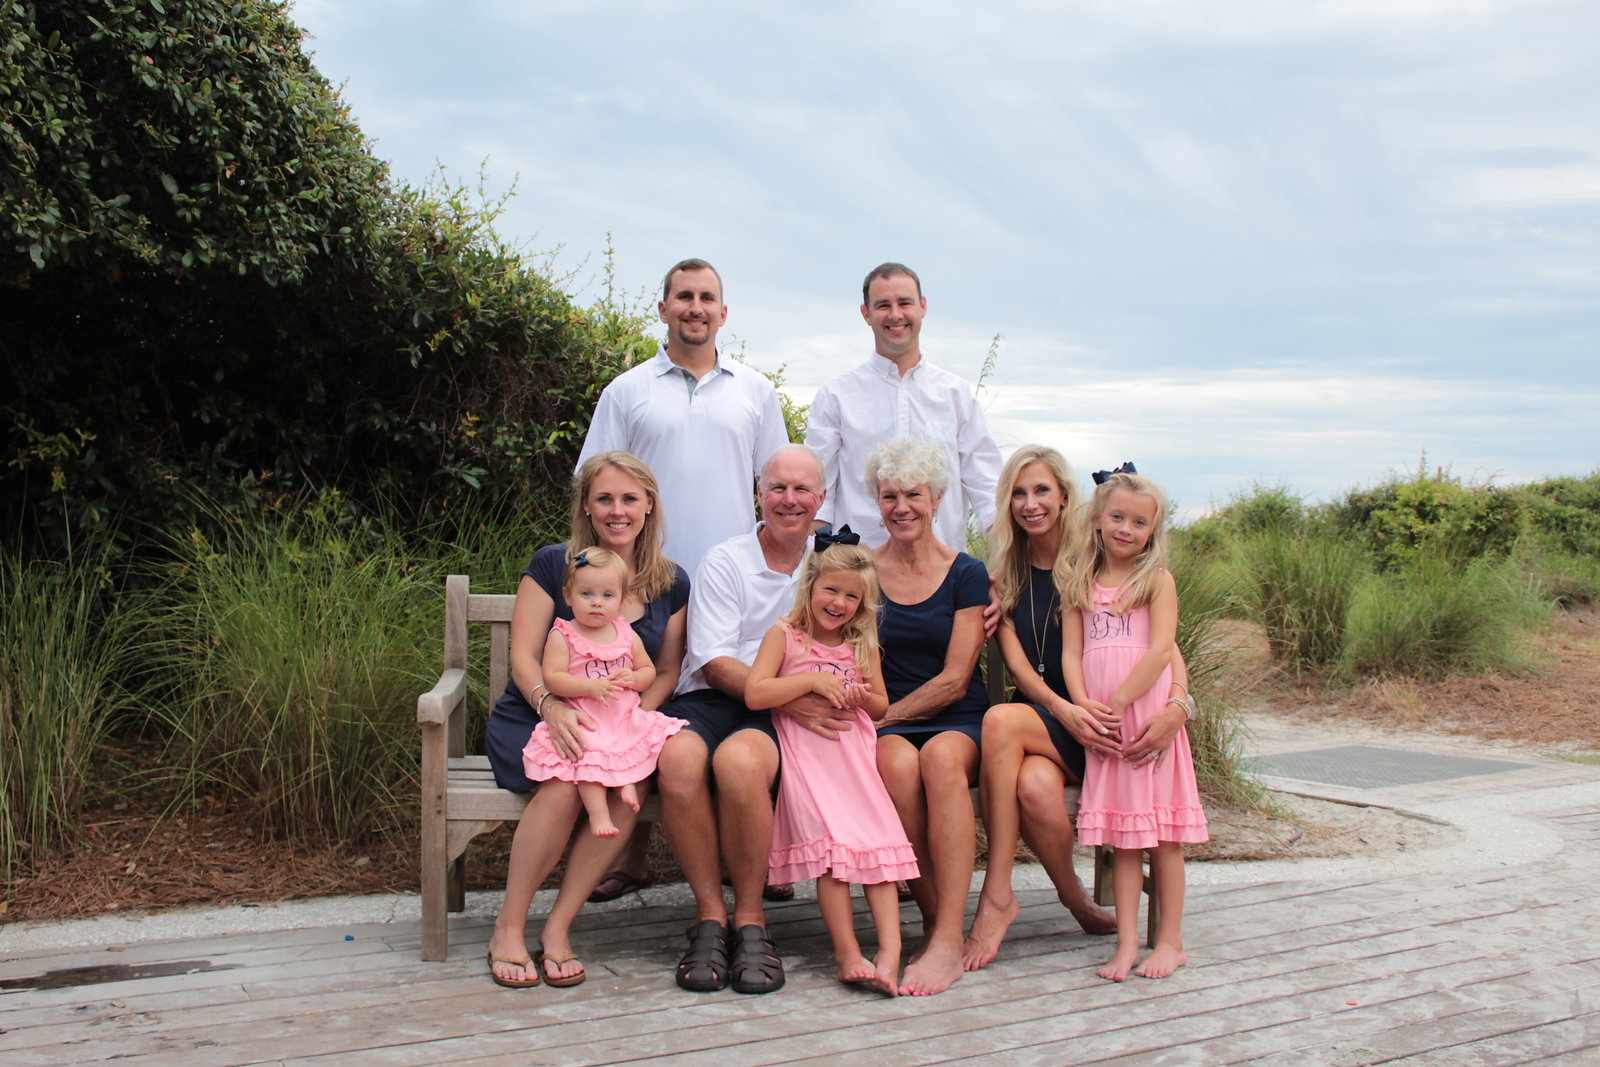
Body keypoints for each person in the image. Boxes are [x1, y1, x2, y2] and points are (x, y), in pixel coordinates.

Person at [578, 257, 789, 898]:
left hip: (732, 583)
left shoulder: (754, 392)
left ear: (724, 313)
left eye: (707, 298)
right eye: (683, 297)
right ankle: (630, 854)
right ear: (663, 308)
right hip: (647, 578)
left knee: (730, 712)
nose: (695, 307)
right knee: (643, 703)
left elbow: (776, 485)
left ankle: (751, 857)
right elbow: (594, 482)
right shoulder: (628, 391)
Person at [963, 449, 1194, 971]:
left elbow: (1163, 647)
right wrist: (1062, 709)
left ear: (1066, 497)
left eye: (1042, 490)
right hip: (1058, 719)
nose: (1030, 504)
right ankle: (1077, 903)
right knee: (1036, 787)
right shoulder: (1005, 571)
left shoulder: (1094, 556)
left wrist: (1179, 706)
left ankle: (997, 892)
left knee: (1000, 721)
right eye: (1019, 493)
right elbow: (1018, 662)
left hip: (1112, 726)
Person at [482, 452, 689, 989]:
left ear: (649, 505)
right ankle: (508, 925)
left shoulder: (672, 581)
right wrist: (552, 707)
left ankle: (558, 926)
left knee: (627, 780)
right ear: (587, 506)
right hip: (538, 713)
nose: (617, 510)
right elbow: (525, 657)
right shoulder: (557, 563)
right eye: (604, 498)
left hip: (617, 719)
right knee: (567, 786)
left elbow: (665, 669)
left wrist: (629, 724)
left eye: (628, 498)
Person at [656, 444, 851, 995]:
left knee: (741, 766)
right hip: (720, 698)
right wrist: (783, 695)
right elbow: (714, 662)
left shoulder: (831, 563)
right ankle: (709, 917)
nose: (789, 500)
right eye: (777, 488)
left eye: (801, 490)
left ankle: (751, 919)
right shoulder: (726, 560)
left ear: (822, 498)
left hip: (781, 714)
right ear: (759, 494)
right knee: (676, 759)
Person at [747, 536, 918, 998]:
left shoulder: (860, 643)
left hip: (855, 763)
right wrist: (809, 680)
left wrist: (863, 696)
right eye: (831, 590)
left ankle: (890, 953)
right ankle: (847, 954)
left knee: (878, 853)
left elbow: (881, 705)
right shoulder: (785, 636)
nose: (839, 603)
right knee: (834, 860)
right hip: (810, 763)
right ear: (810, 584)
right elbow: (755, 693)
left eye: (851, 596)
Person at [1064, 469, 1208, 982]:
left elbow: (1159, 651)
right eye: (1117, 517)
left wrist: (1121, 699)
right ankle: (1126, 944)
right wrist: (1083, 702)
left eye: (1139, 521)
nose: (1126, 528)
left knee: (1163, 837)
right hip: (1105, 728)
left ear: (1153, 529)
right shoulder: (1079, 581)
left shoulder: (1157, 580)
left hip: (1146, 722)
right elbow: (1072, 652)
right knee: (1123, 841)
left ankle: (1170, 941)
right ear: (1098, 519)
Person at [867, 435, 990, 996]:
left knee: (941, 760)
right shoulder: (864, 572)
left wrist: (886, 717)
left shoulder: (966, 572)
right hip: (888, 722)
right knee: (893, 765)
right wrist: (878, 721)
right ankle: (941, 922)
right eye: (889, 495)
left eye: (913, 494)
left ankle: (943, 939)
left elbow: (955, 678)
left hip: (955, 715)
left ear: (937, 498)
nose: (901, 507)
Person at [804, 262, 1002, 550]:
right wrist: (823, 562)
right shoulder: (837, 395)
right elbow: (818, 493)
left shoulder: (955, 394)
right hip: (860, 574)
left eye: (904, 303)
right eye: (883, 305)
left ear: (922, 306)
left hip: (944, 576)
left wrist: (1008, 564)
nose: (895, 315)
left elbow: (988, 487)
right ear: (866, 313)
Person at [522, 547, 687, 838]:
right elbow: (553, 678)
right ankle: (599, 815)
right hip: (586, 715)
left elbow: (650, 671)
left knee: (633, 741)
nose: (597, 603)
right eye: (587, 594)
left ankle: (626, 785)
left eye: (607, 596)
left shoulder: (625, 634)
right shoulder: (564, 635)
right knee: (588, 754)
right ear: (568, 595)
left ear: (622, 600)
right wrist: (590, 686)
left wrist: (634, 678)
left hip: (621, 713)